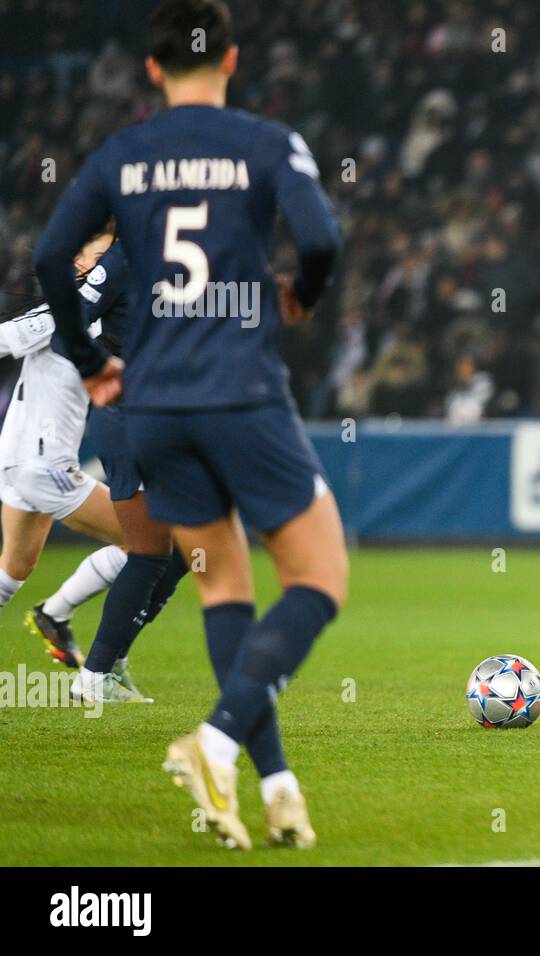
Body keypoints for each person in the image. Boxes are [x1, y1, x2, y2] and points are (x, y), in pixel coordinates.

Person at [33, 0, 345, 850]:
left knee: (222, 584)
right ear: (234, 60)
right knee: (320, 578)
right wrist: (303, 298)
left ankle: (274, 786)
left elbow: (48, 260)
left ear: (152, 69)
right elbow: (321, 239)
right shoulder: (267, 142)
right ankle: (212, 744)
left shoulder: (120, 155)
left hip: (154, 406)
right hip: (240, 394)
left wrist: (96, 365)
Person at [0, 228, 178, 694]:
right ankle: (57, 616)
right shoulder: (67, 313)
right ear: (82, 266)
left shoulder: (106, 317)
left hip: (18, 464)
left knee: (12, 571)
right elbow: (9, 335)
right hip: (45, 465)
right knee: (149, 547)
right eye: (99, 255)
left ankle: (54, 614)